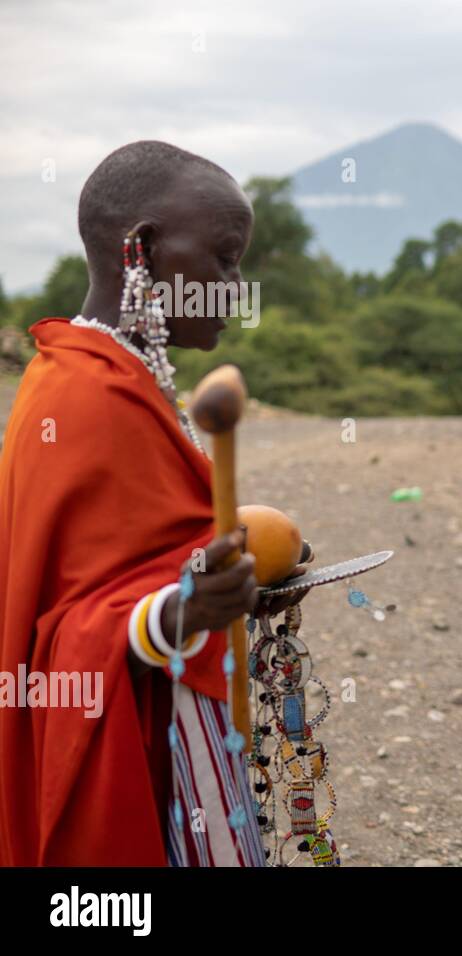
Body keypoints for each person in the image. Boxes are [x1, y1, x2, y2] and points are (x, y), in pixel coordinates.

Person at [0, 141, 300, 866]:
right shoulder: (83, 395)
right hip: (139, 750)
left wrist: (232, 581)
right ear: (142, 251)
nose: (234, 287)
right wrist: (178, 611)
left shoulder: (124, 380)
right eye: (225, 259)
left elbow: (148, 559)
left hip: (175, 729)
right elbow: (57, 629)